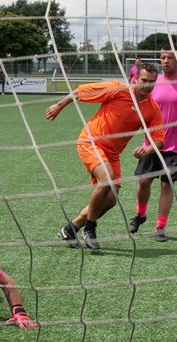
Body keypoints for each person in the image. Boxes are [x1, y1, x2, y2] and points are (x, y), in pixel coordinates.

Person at [45, 62, 164, 252]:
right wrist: (59, 106)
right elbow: (81, 91)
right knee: (107, 180)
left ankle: (71, 228)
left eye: (152, 82)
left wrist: (147, 150)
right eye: (144, 80)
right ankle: (90, 229)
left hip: (112, 154)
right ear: (135, 79)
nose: (147, 85)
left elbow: (159, 139)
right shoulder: (117, 90)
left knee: (110, 201)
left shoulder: (152, 108)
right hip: (91, 142)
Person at [127, 48, 177, 242]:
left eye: (169, 57)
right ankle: (140, 215)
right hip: (151, 143)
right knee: (144, 181)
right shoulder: (152, 83)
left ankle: (160, 227)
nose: (165, 61)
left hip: (175, 146)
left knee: (166, 184)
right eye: (162, 57)